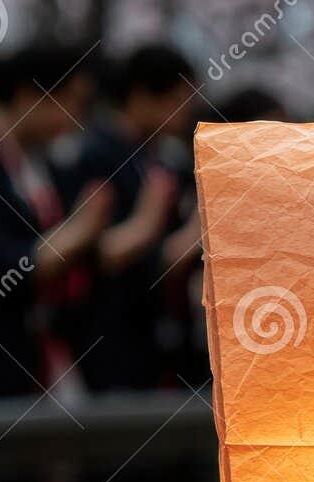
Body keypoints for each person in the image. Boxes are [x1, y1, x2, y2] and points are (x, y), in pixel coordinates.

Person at [0, 45, 113, 399]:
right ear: (29, 96)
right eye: (69, 101)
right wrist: (79, 231)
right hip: (3, 357)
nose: (74, 118)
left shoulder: (44, 166)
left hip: (54, 352)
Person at [54, 44, 201, 391]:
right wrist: (154, 228)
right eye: (177, 100)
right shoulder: (96, 155)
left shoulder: (158, 158)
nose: (184, 113)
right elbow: (97, 254)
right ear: (141, 95)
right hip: (108, 333)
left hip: (157, 331)